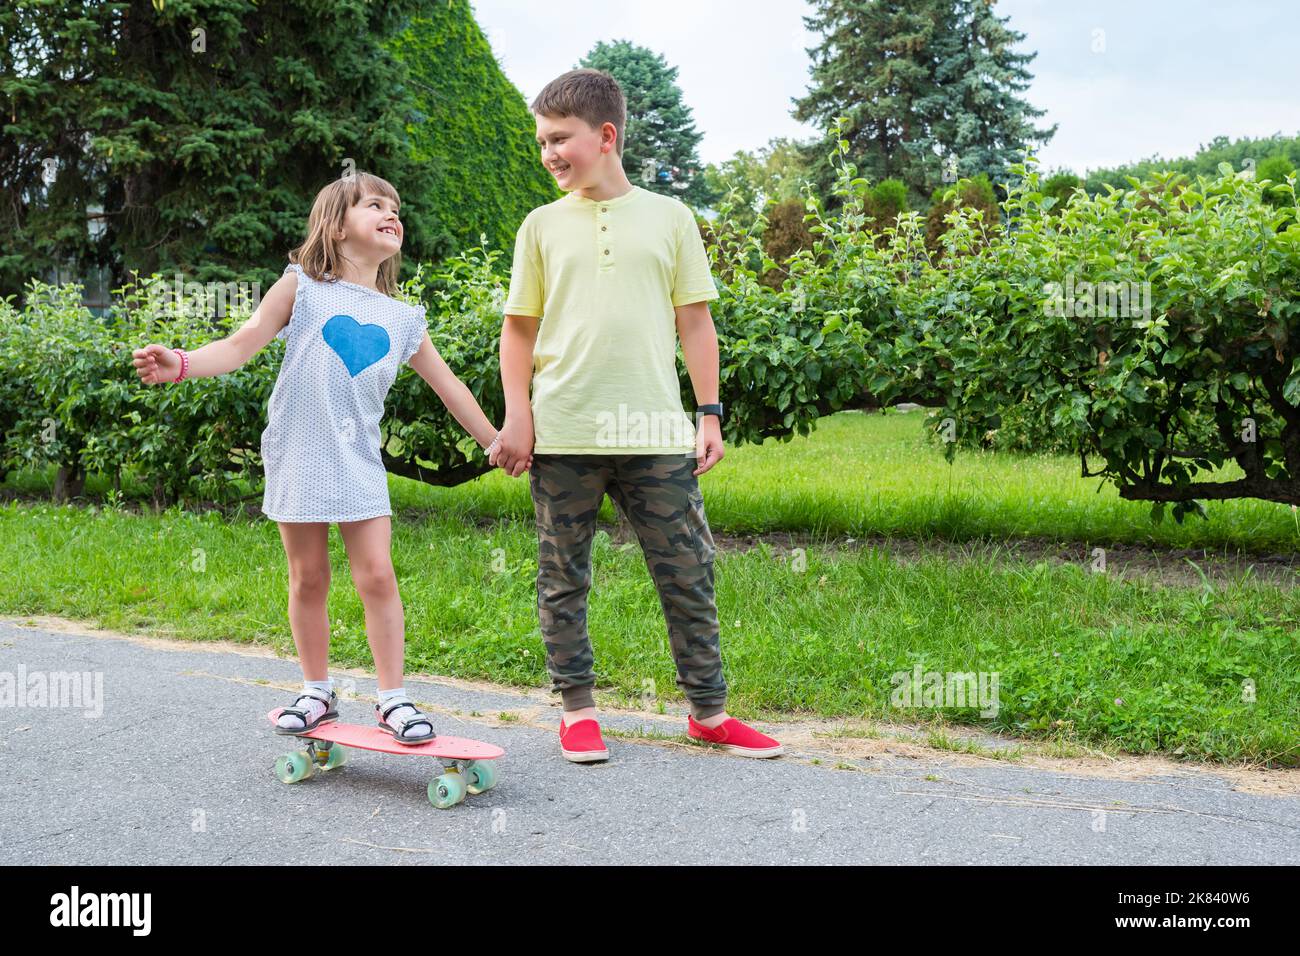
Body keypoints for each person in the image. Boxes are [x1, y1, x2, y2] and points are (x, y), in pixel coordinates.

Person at [131, 172, 524, 743]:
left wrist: (496, 439)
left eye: (396, 208)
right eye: (375, 205)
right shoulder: (302, 288)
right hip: (297, 452)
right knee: (308, 577)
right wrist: (182, 362)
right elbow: (241, 344)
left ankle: (394, 699)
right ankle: (317, 690)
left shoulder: (403, 317)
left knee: (377, 575)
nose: (392, 214)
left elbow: (451, 388)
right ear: (337, 226)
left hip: (358, 459)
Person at [492, 69, 783, 761]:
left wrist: (708, 413)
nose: (548, 154)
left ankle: (709, 712)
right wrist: (518, 413)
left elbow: (696, 323)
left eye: (559, 139)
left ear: (607, 134)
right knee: (564, 573)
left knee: (687, 567)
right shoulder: (539, 227)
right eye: (542, 141)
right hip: (565, 430)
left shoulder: (670, 217)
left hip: (654, 429)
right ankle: (577, 708)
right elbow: (519, 331)